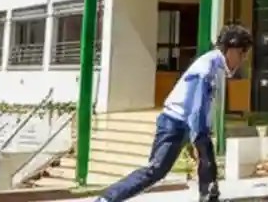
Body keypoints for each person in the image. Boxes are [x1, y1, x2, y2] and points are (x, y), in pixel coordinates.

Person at [95, 25, 254, 202]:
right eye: (241, 53)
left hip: (183, 123)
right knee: (155, 170)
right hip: (174, 123)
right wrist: (200, 136)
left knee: (206, 163)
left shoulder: (214, 65)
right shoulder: (207, 67)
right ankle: (107, 199)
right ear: (230, 49)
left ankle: (209, 196)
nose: (242, 59)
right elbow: (198, 105)